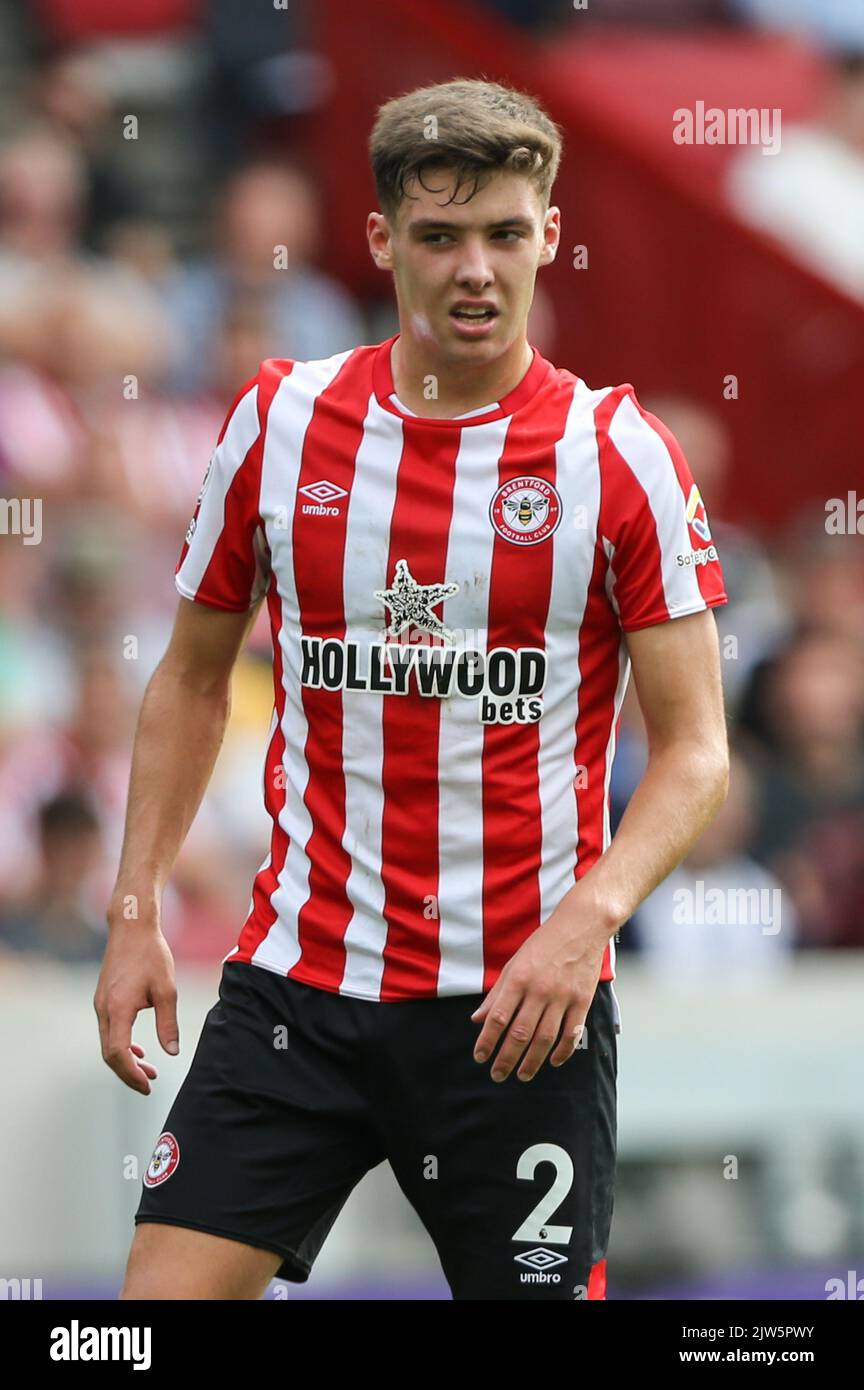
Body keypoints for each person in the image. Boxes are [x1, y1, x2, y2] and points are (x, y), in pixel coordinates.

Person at [95, 78, 730, 1301]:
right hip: (301, 986)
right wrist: (133, 911)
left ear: (550, 232)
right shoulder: (280, 423)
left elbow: (698, 749)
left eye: (504, 231)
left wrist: (586, 924)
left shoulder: (617, 456)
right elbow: (185, 677)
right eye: (440, 236)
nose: (476, 269)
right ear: (383, 241)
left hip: (519, 1010)